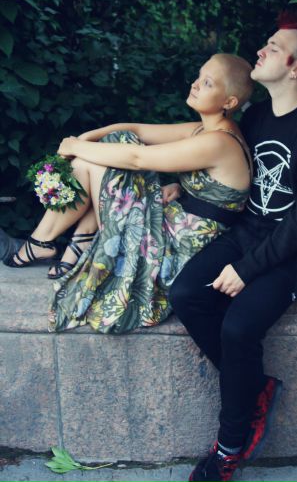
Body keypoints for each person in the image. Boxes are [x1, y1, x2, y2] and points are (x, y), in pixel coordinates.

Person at [170, 11, 297, 482]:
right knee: (185, 293)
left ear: (296, 67)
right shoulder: (255, 116)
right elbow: (231, 174)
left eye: (273, 47)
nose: (261, 50)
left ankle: (229, 447)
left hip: (295, 253)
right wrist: (184, 191)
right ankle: (255, 389)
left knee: (238, 328)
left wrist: (247, 270)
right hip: (248, 232)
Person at [3, 53, 253, 334]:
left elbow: (137, 159)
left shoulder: (219, 141)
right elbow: (135, 130)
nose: (195, 84)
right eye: (199, 76)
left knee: (95, 161)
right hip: (171, 226)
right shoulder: (203, 130)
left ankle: (49, 241)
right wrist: (85, 139)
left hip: (177, 251)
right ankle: (57, 241)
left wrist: (76, 147)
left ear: (229, 102)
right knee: (109, 145)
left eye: (207, 83)